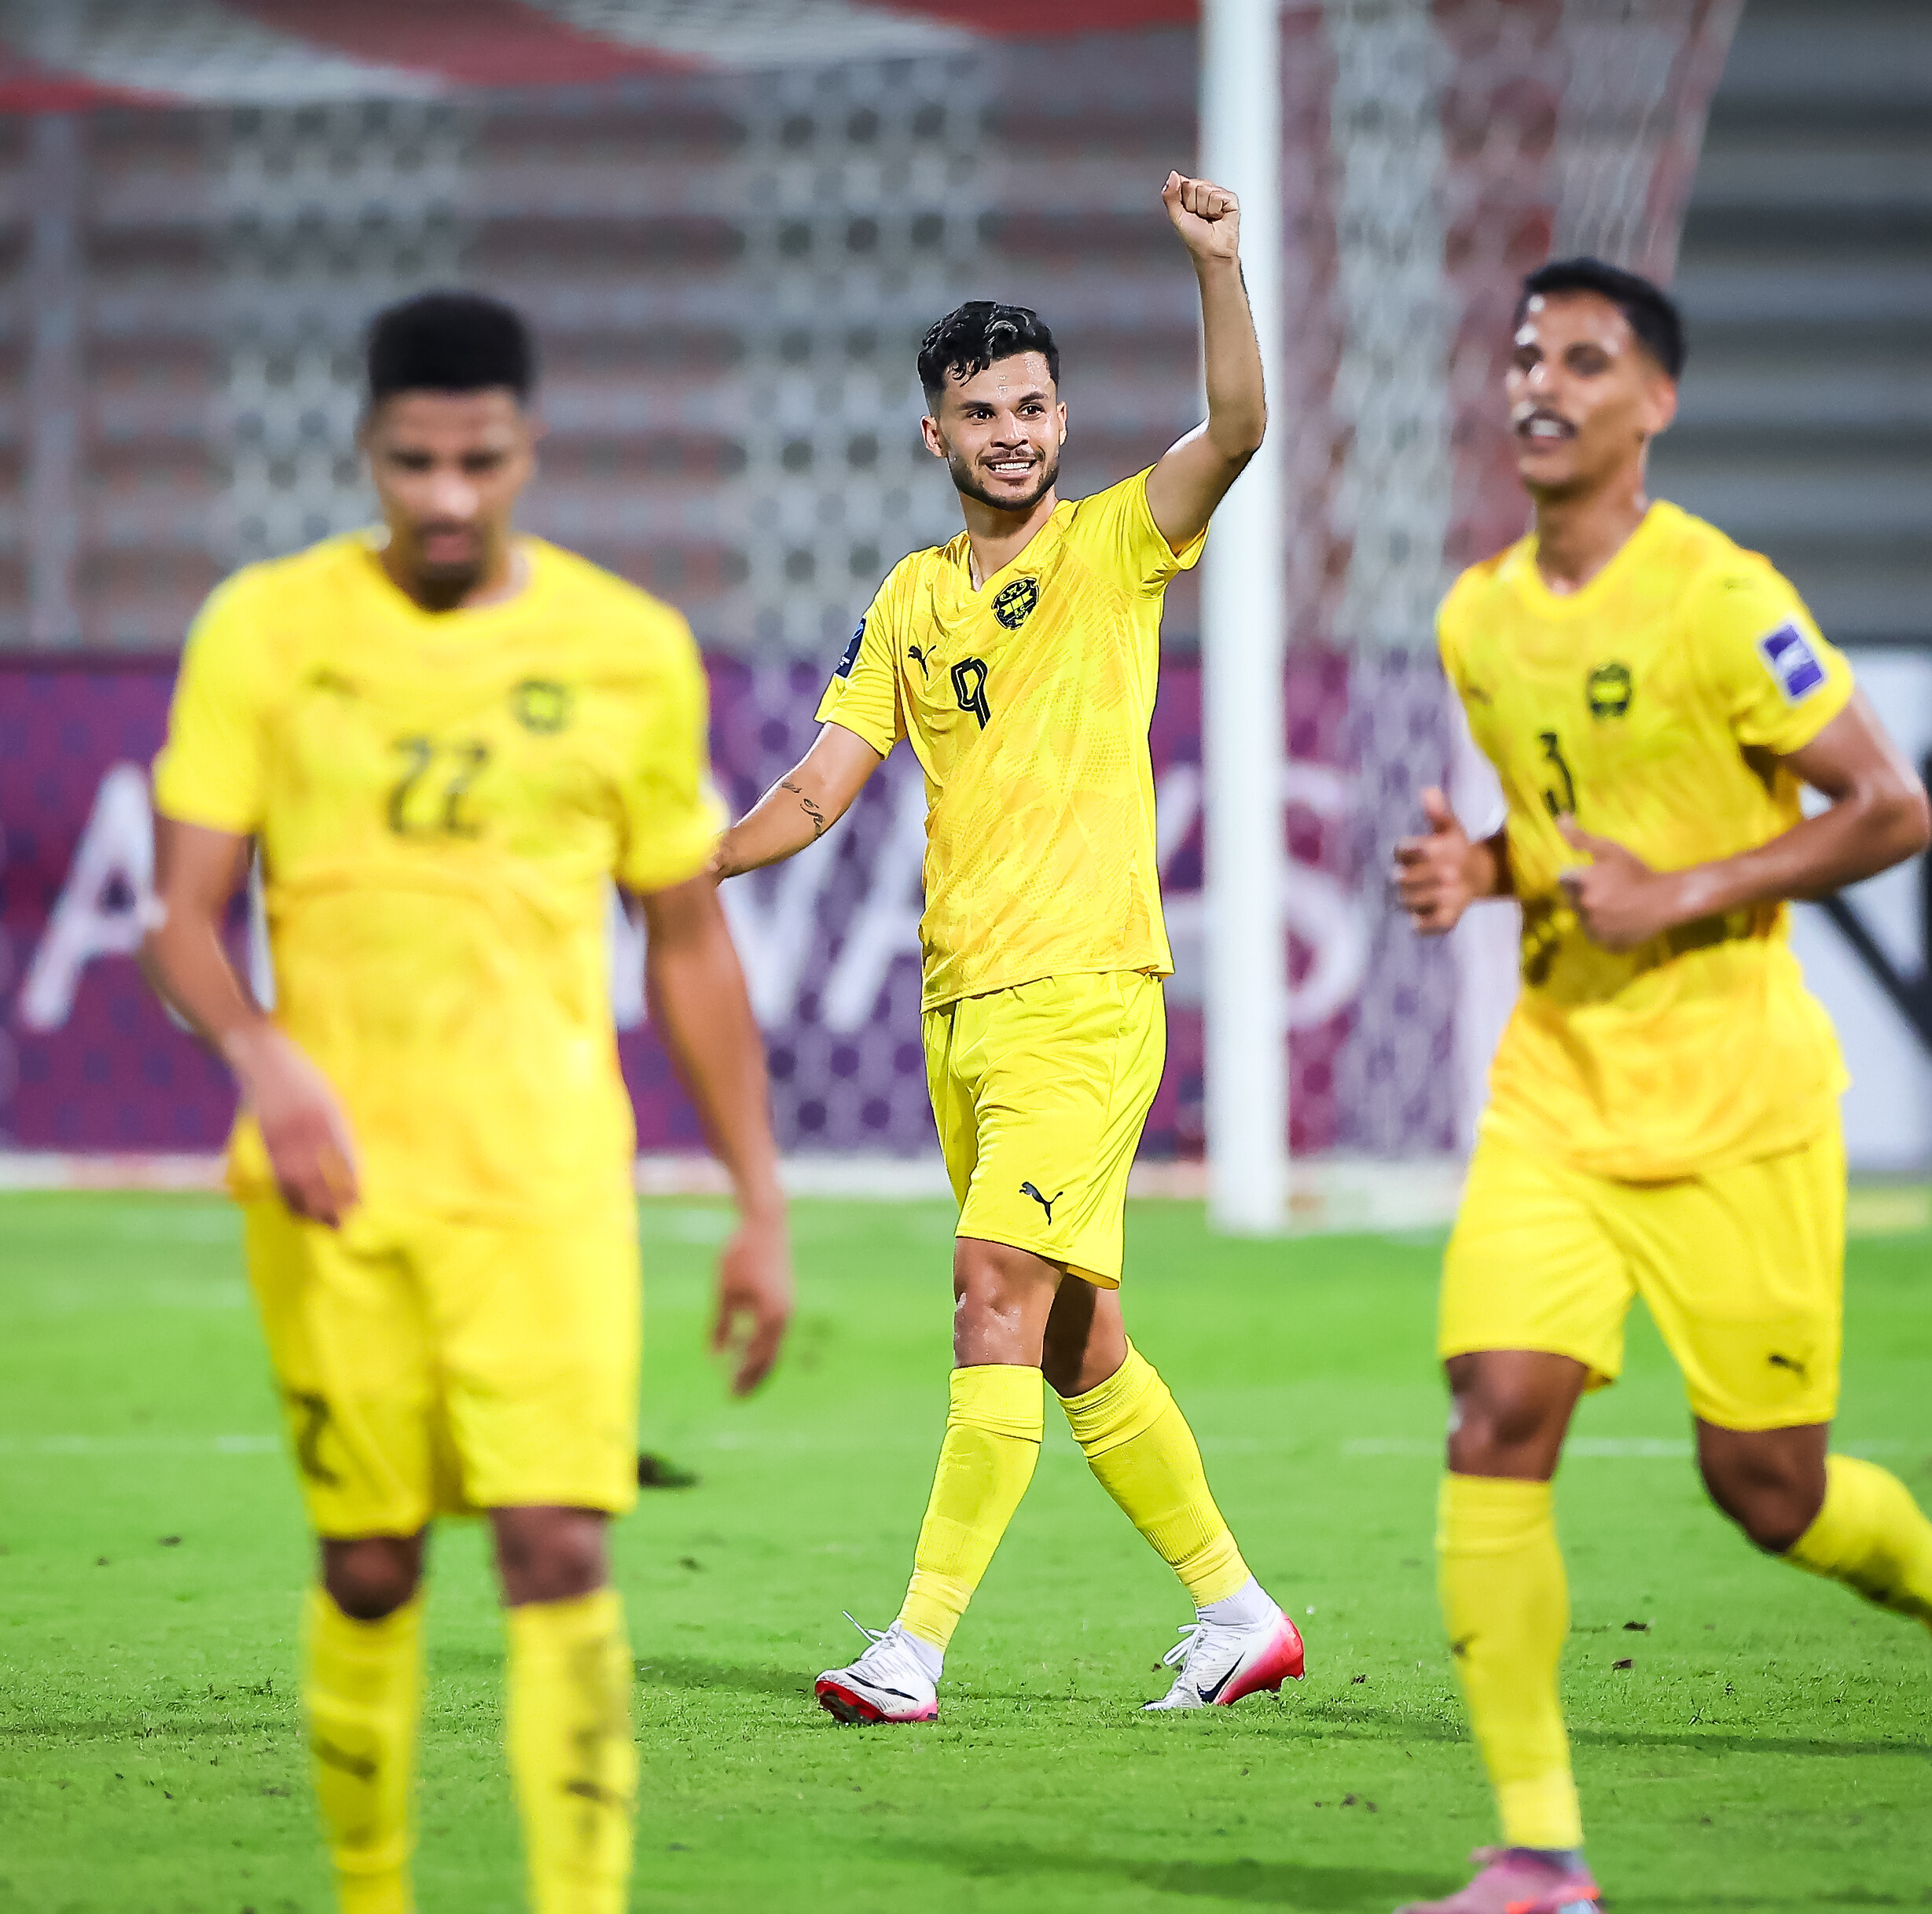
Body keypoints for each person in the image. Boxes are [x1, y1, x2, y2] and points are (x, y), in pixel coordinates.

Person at [1388, 258, 1932, 1914]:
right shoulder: (1477, 619)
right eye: (1525, 356)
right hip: (1556, 1090)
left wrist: (1680, 894)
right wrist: (1482, 868)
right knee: (1496, 1411)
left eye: (1584, 360)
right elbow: (1570, 828)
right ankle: (1538, 1854)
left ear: (1654, 403)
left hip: (1738, 1108)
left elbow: (1888, 807)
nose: (1541, 383)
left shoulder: (1721, 598)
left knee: (1768, 1489)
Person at [138, 291, 793, 1914]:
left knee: (557, 1549)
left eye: (479, 461)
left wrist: (757, 1202)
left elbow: (686, 941)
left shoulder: (627, 649)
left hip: (544, 1187)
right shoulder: (263, 630)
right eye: (413, 462)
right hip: (332, 1187)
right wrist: (264, 1055)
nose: (446, 496)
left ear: (529, 450)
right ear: (367, 451)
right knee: (368, 1565)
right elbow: (179, 922)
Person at [712, 173, 1302, 1724]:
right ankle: (1238, 1613)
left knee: (990, 1290)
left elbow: (1239, 428)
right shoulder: (909, 600)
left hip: (1087, 993)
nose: (1013, 434)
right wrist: (692, 859)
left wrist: (1218, 270)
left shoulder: (1117, 545)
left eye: (1033, 408)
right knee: (1072, 1340)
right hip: (963, 1008)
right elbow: (821, 786)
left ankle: (911, 1650)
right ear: (938, 436)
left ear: (1061, 419)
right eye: (982, 414)